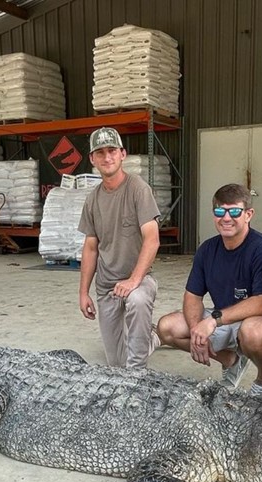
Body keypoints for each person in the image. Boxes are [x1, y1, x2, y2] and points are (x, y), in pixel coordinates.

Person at [155, 184, 262, 396]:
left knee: (254, 334)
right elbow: (192, 295)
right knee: (167, 327)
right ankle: (230, 360)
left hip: (256, 320)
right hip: (221, 317)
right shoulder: (207, 249)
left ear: (249, 214)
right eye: (220, 211)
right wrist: (197, 330)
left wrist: (213, 321)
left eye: (235, 212)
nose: (226, 218)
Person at [77, 127, 162, 368]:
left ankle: (138, 375)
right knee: (116, 362)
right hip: (107, 286)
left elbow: (152, 239)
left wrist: (134, 280)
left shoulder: (138, 190)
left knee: (136, 300)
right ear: (92, 159)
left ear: (122, 154)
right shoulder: (92, 200)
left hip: (139, 279)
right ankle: (152, 338)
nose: (107, 157)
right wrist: (83, 293)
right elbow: (91, 248)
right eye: (100, 152)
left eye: (112, 150)